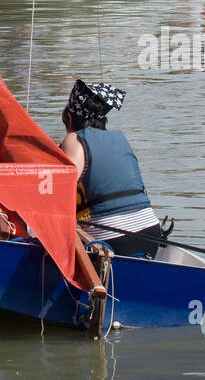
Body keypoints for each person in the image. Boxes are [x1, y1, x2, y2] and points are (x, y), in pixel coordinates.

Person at [59, 80, 163, 257]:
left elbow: (60, 189)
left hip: (112, 240)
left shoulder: (75, 140)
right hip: (152, 233)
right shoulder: (121, 139)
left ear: (69, 119)